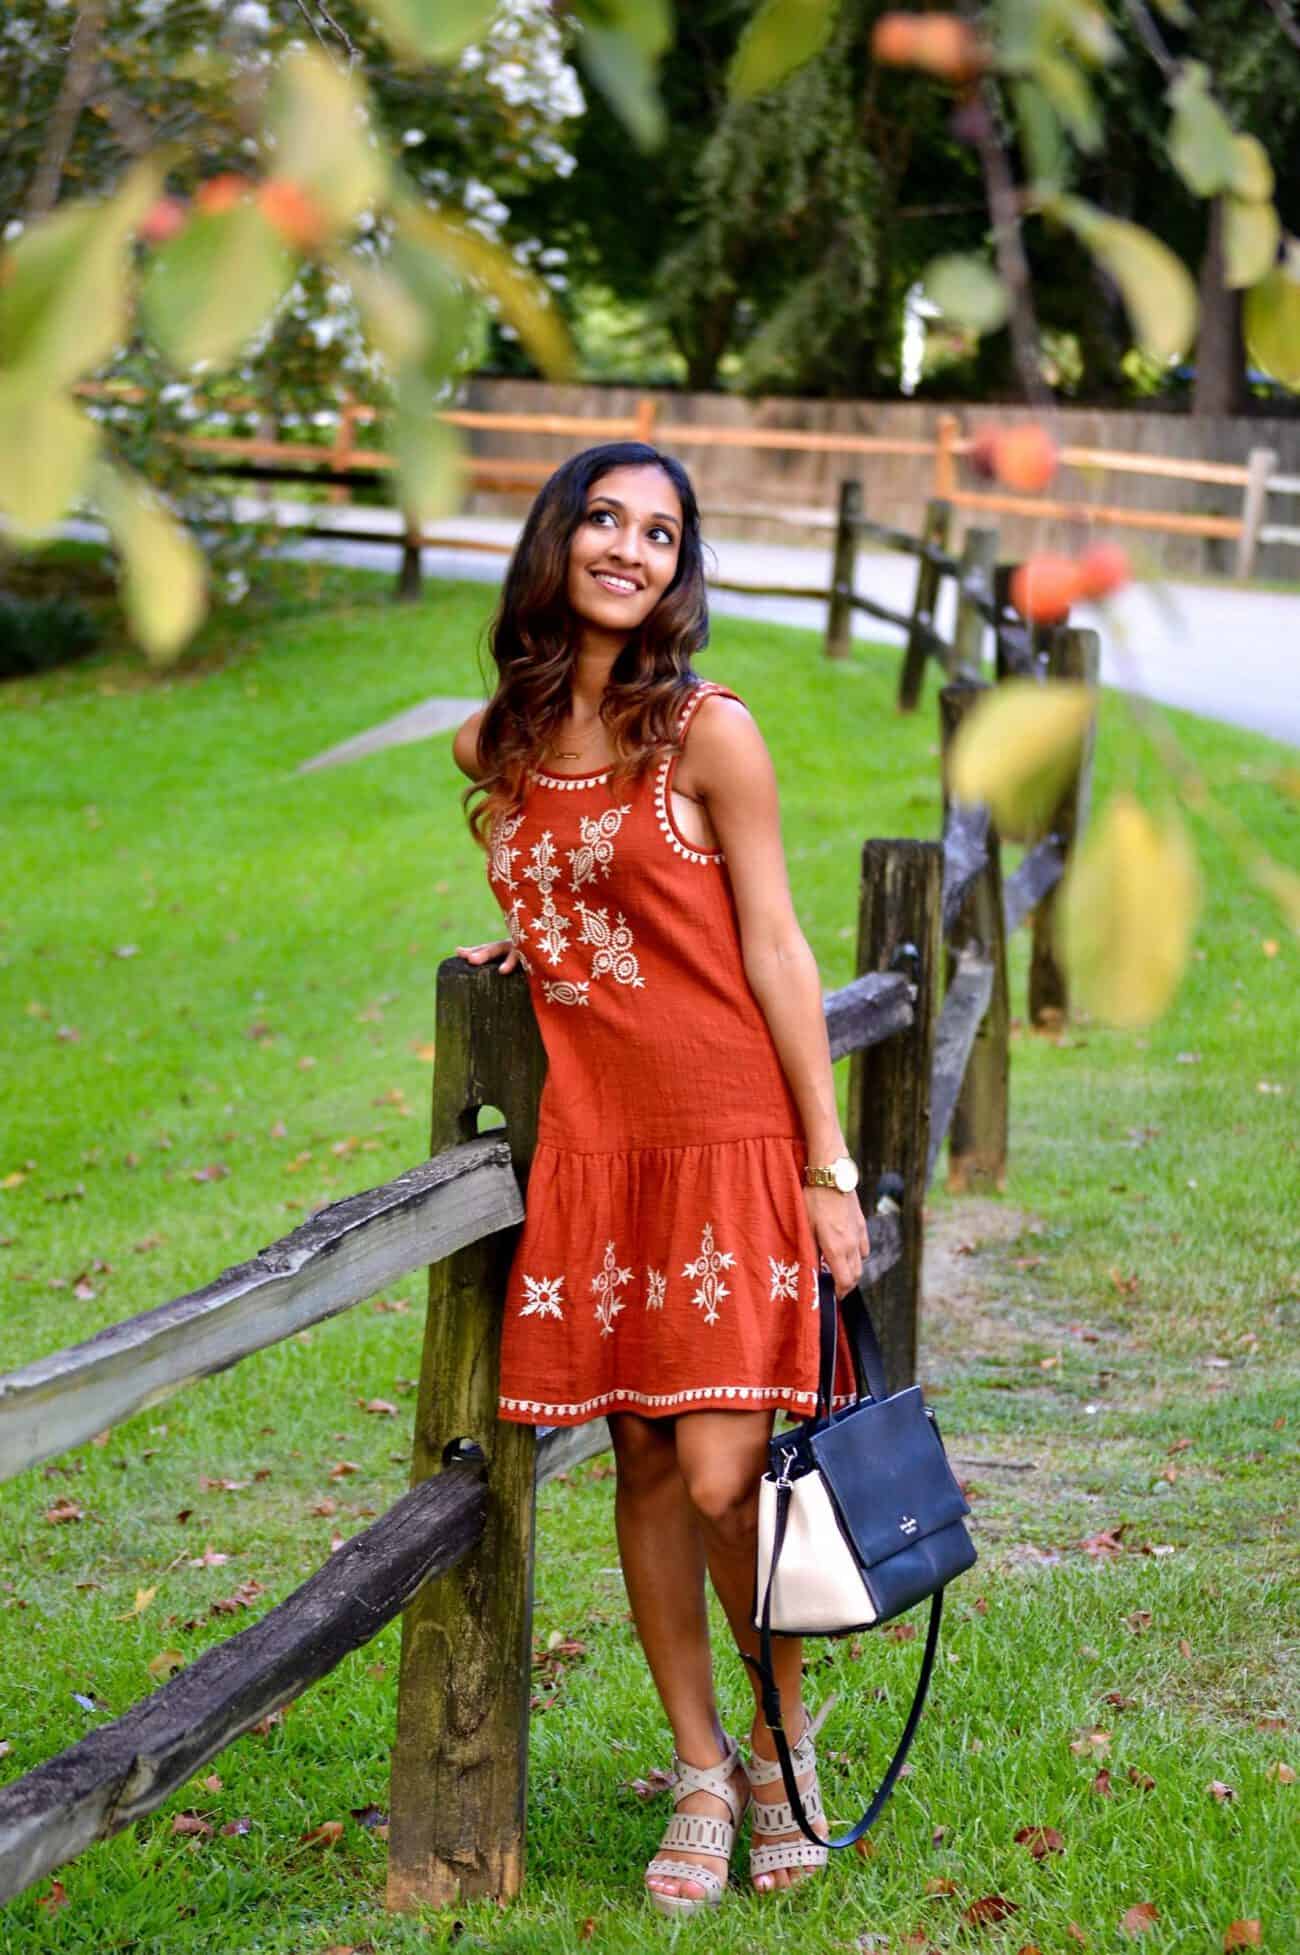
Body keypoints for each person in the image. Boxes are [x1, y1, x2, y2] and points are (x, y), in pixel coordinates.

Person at [452, 441, 870, 1915]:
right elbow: (554, 876)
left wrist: (828, 1170)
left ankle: (782, 1747)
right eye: (607, 520)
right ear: (558, 538)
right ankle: (702, 1767)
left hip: (726, 1143)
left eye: (662, 531)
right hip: (597, 1154)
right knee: (633, 1462)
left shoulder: (708, 729)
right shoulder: (492, 746)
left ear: (680, 567)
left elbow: (774, 946)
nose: (631, 547)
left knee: (718, 1468)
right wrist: (536, 942)